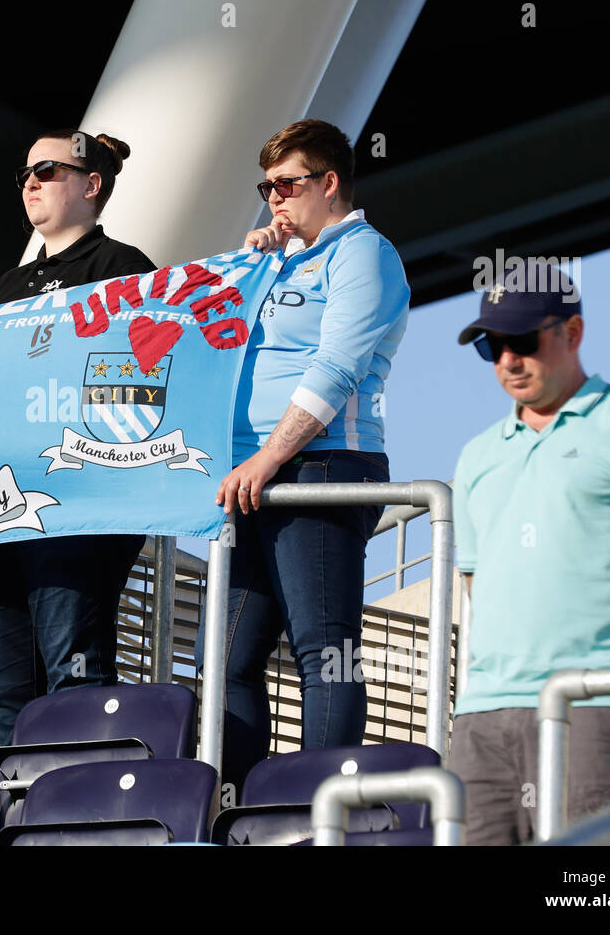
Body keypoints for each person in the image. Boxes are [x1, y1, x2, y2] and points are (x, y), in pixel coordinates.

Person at [448, 268, 610, 844]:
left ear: (573, 331)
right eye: (493, 346)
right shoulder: (475, 458)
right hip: (483, 719)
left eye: (524, 341)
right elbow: (481, 583)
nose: (508, 360)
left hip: (600, 709)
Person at [201, 119, 410, 790]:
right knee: (227, 659)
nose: (273, 199)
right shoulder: (279, 260)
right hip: (252, 475)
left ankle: (312, 809)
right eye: (265, 187)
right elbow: (215, 342)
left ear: (329, 182)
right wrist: (251, 264)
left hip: (321, 463)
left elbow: (337, 367)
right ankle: (237, 807)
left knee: (324, 650)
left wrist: (267, 458)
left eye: (286, 184)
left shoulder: (364, 252)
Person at [0, 129, 155, 747]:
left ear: (92, 185)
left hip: (75, 502)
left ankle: (77, 812)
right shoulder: (5, 289)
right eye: (24, 175)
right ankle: (15, 816)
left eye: (47, 170)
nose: (31, 183)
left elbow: (148, 378)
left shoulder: (125, 268)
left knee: (75, 675)